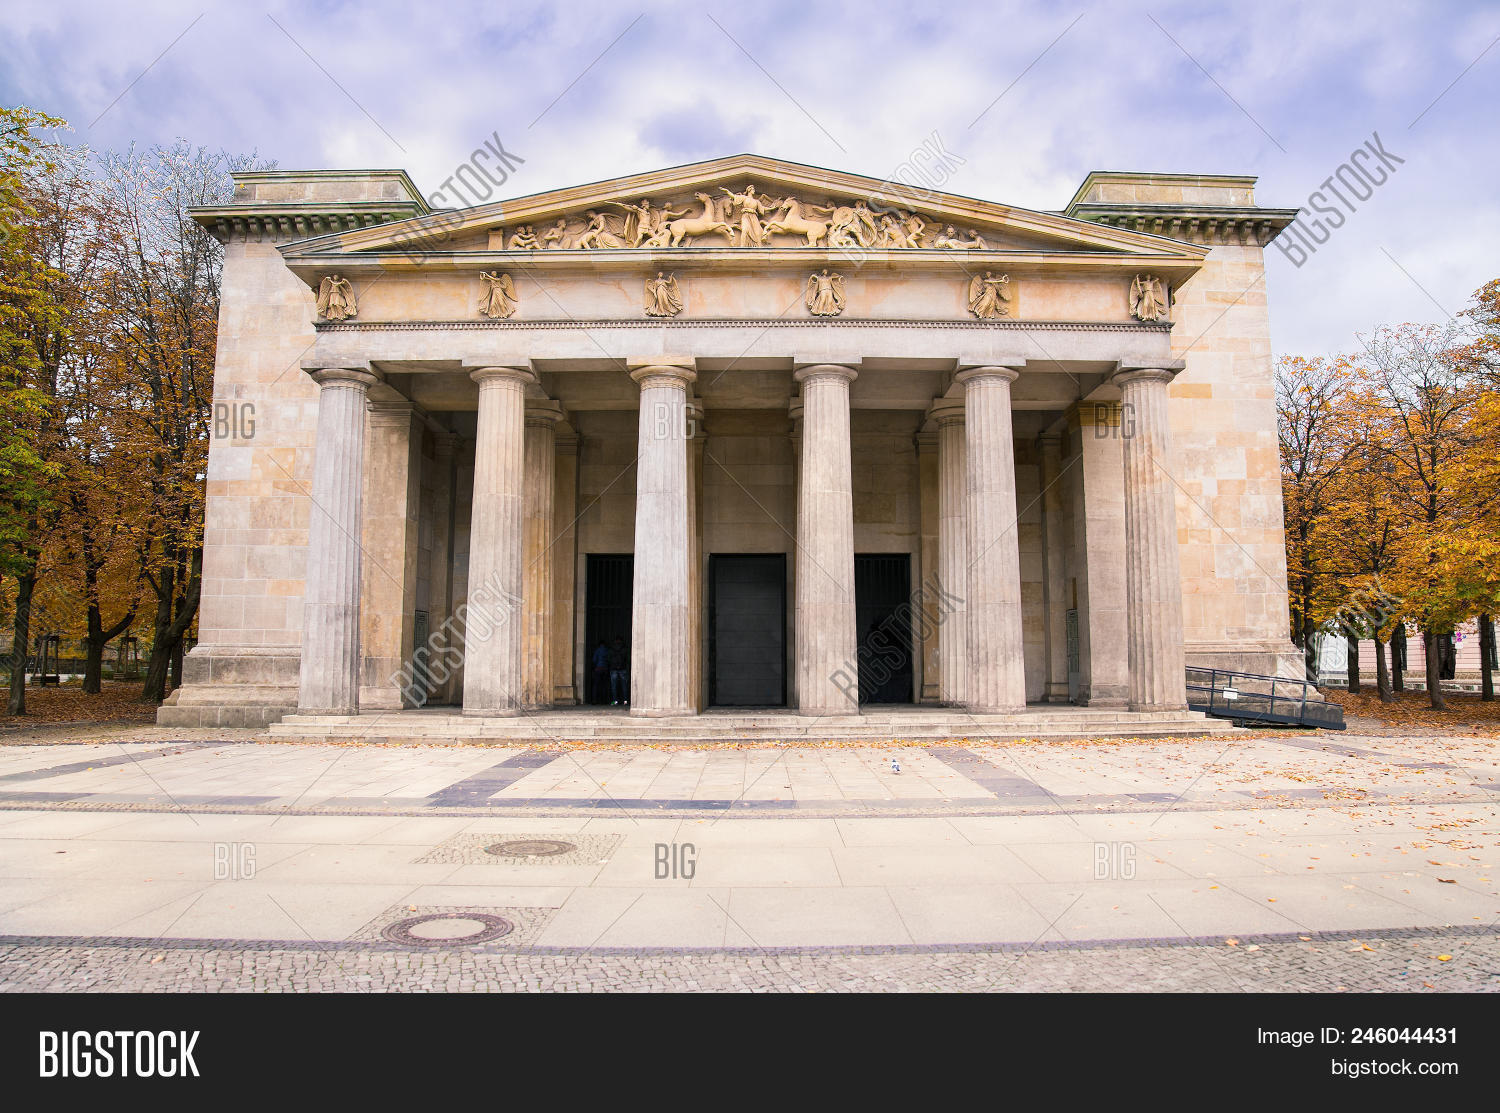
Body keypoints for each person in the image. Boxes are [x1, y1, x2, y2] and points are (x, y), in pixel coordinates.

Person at [608, 636, 629, 706]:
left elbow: (609, 659)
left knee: (614, 686)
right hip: (623, 669)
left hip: (613, 669)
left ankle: (615, 701)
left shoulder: (611, 649)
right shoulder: (624, 649)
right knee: (624, 686)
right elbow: (627, 659)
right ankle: (625, 701)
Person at [591, 641, 610, 705]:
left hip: (598, 669)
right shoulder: (607, 651)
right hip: (605, 669)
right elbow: (609, 659)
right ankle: (604, 700)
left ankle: (595, 700)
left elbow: (594, 660)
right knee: (604, 685)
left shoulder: (597, 650)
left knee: (596, 685)